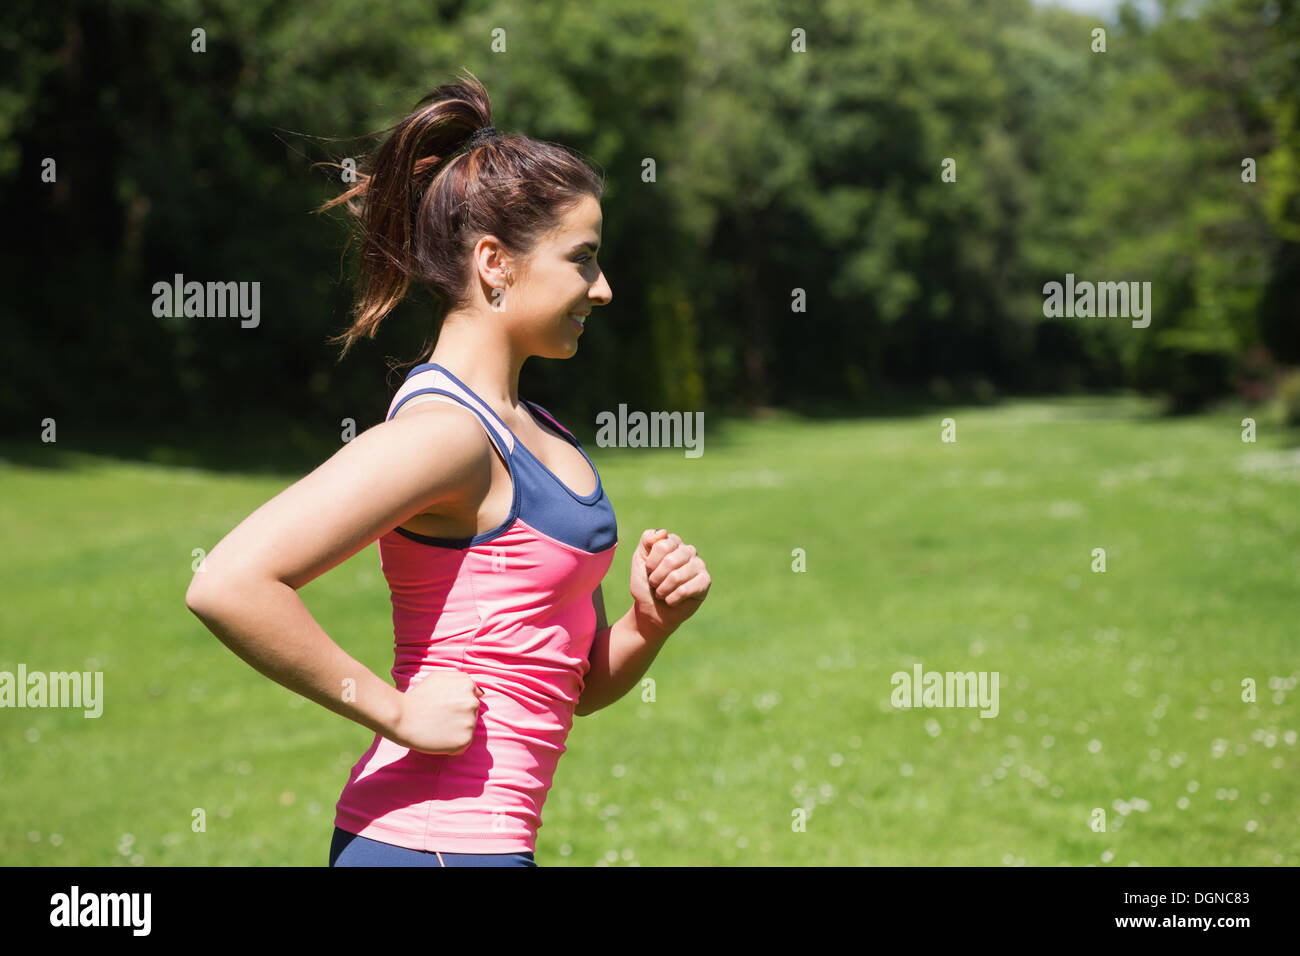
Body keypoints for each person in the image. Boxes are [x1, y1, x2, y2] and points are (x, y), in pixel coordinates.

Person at [183, 69, 711, 867]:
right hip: (426, 844)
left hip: (481, 848)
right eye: (583, 260)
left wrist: (648, 623)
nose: (603, 290)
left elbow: (567, 686)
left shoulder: (542, 434)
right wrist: (396, 714)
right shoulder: (446, 436)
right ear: (495, 262)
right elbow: (228, 583)